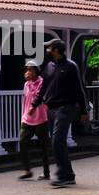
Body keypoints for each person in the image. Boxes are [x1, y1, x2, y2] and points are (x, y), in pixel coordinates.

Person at [31, 38, 88, 187]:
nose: (46, 50)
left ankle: (62, 176)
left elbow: (79, 90)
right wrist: (35, 104)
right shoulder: (49, 66)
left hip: (66, 107)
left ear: (56, 50)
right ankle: (68, 175)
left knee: (57, 140)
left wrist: (83, 110)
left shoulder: (71, 67)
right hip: (51, 108)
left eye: (48, 48)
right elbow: (43, 87)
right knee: (57, 142)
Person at [18, 59, 50, 181]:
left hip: (41, 118)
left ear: (36, 71)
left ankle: (46, 172)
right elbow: (25, 101)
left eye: (30, 69)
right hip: (27, 118)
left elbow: (39, 97)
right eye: (27, 69)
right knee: (22, 141)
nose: (28, 72)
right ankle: (27, 170)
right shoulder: (26, 84)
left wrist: (33, 107)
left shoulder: (42, 83)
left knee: (43, 147)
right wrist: (23, 117)